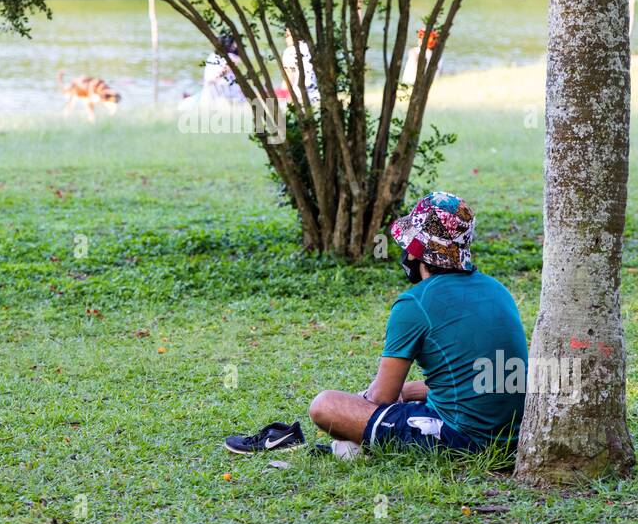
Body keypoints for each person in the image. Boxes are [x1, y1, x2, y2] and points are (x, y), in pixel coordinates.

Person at [224, 192, 528, 457]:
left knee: (325, 405)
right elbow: (477, 380)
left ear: (417, 250)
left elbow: (381, 398)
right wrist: (407, 393)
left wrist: (361, 406)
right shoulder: (498, 291)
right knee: (389, 398)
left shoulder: (414, 304)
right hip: (510, 439)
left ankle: (351, 445)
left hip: (462, 440)